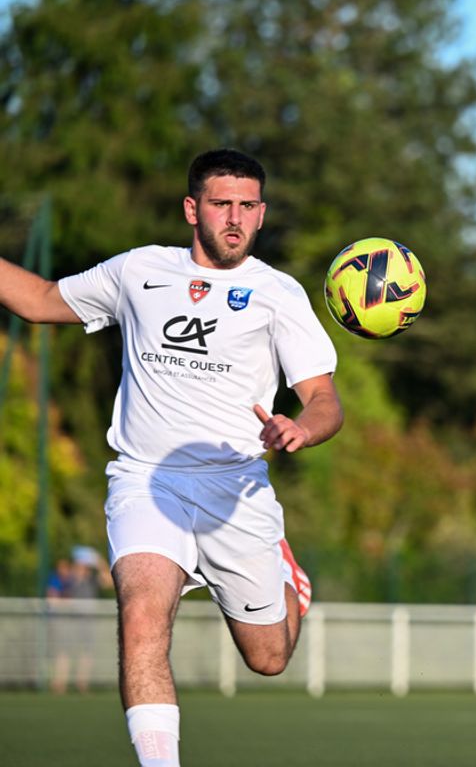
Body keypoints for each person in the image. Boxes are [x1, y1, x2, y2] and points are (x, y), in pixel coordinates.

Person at [0, 149, 343, 767]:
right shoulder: (139, 272)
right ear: (193, 209)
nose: (234, 218)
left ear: (262, 214)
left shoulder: (278, 293)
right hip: (145, 482)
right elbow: (41, 299)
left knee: (268, 659)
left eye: (247, 206)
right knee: (140, 611)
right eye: (221, 203)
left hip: (234, 489)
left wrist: (302, 430)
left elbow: (323, 400)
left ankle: (286, 575)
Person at [46, 545, 113, 693]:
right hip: (69, 620)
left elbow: (109, 581)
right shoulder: (68, 578)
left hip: (87, 621)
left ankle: (82, 684)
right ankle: (59, 683)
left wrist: (99, 562)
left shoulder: (92, 579)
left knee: (86, 652)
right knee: (64, 651)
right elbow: (53, 596)